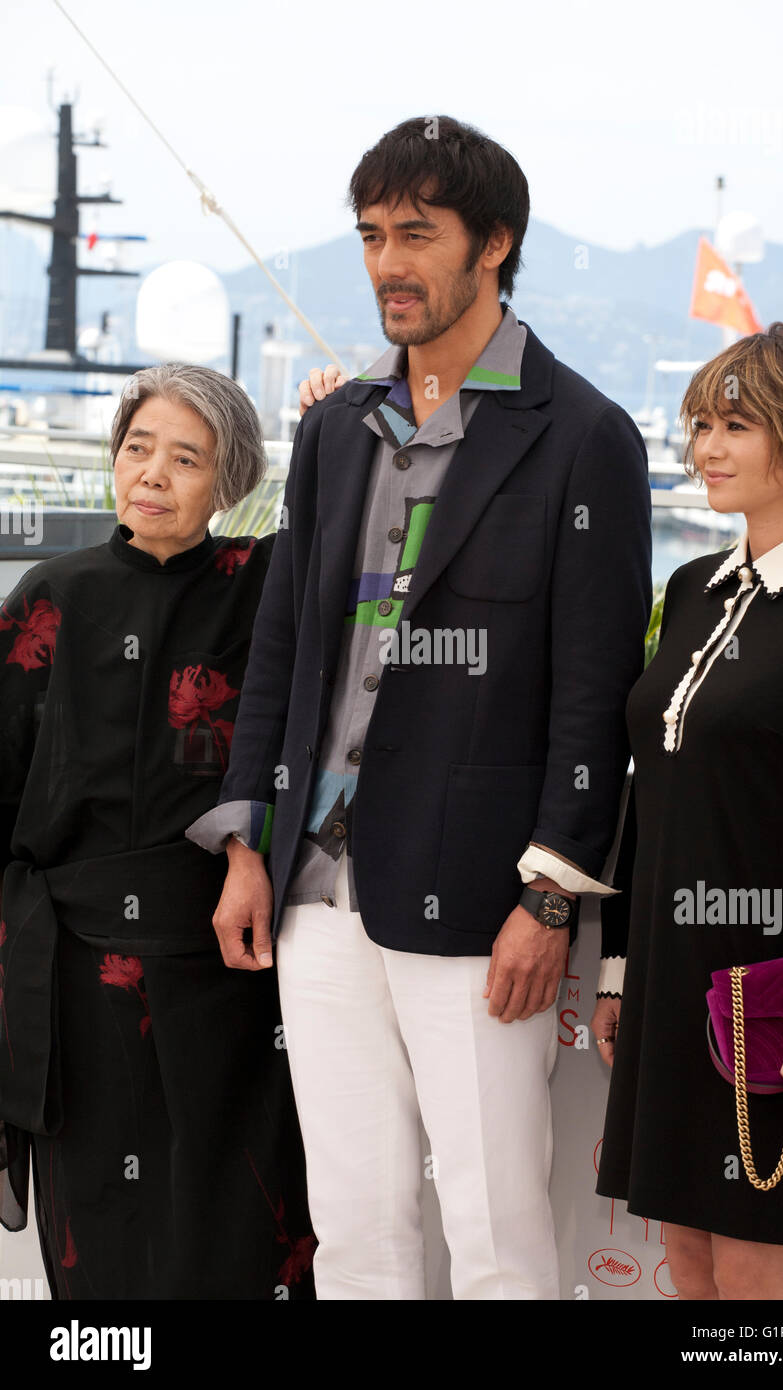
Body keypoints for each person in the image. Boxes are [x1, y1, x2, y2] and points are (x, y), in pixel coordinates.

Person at [187, 114, 652, 1300]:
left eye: (417, 233)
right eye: (371, 235)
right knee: (353, 1229)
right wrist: (249, 844)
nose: (388, 261)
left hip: (480, 898)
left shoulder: (583, 438)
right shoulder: (335, 429)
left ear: (492, 243)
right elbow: (285, 647)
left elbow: (595, 693)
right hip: (315, 886)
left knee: (497, 1235)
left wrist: (547, 894)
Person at [0, 365, 315, 1299]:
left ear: (230, 483)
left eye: (187, 458)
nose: (153, 474)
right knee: (98, 1220)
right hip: (76, 974)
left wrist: (345, 412)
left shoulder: (261, 586)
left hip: (224, 963)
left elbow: (361, 536)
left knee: (232, 1211)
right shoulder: (50, 594)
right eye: (139, 449)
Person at [591, 322, 783, 1300]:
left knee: (752, 1258)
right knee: (686, 1256)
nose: (704, 446)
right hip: (669, 978)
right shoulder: (692, 590)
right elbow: (643, 789)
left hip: (772, 995)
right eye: (698, 423)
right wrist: (619, 964)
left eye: (734, 424)